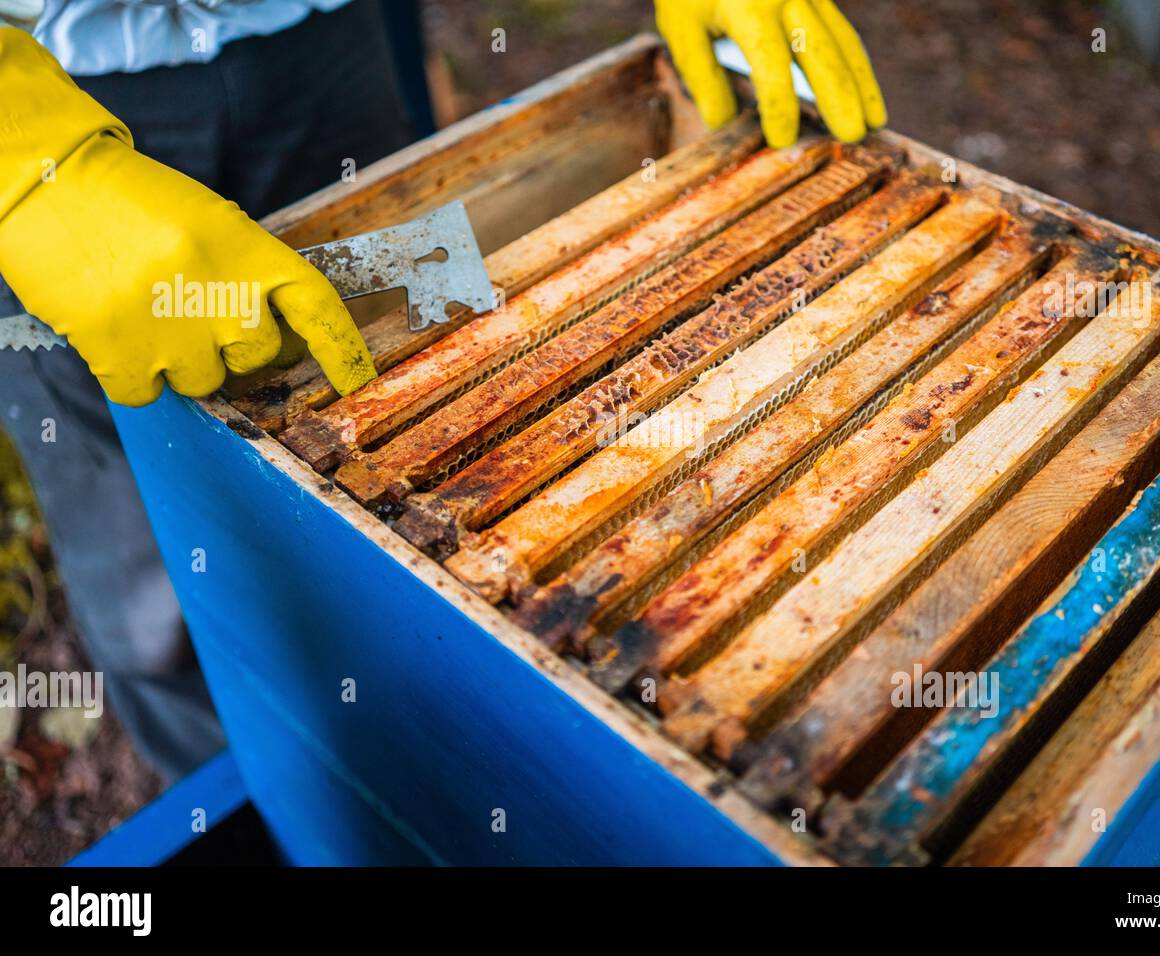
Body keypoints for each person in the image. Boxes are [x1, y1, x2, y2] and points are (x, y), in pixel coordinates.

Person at [0, 0, 886, 779]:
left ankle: (420, 757)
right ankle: (245, 789)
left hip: (323, 39)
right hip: (48, 87)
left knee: (420, 363)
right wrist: (29, 169)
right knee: (144, 552)